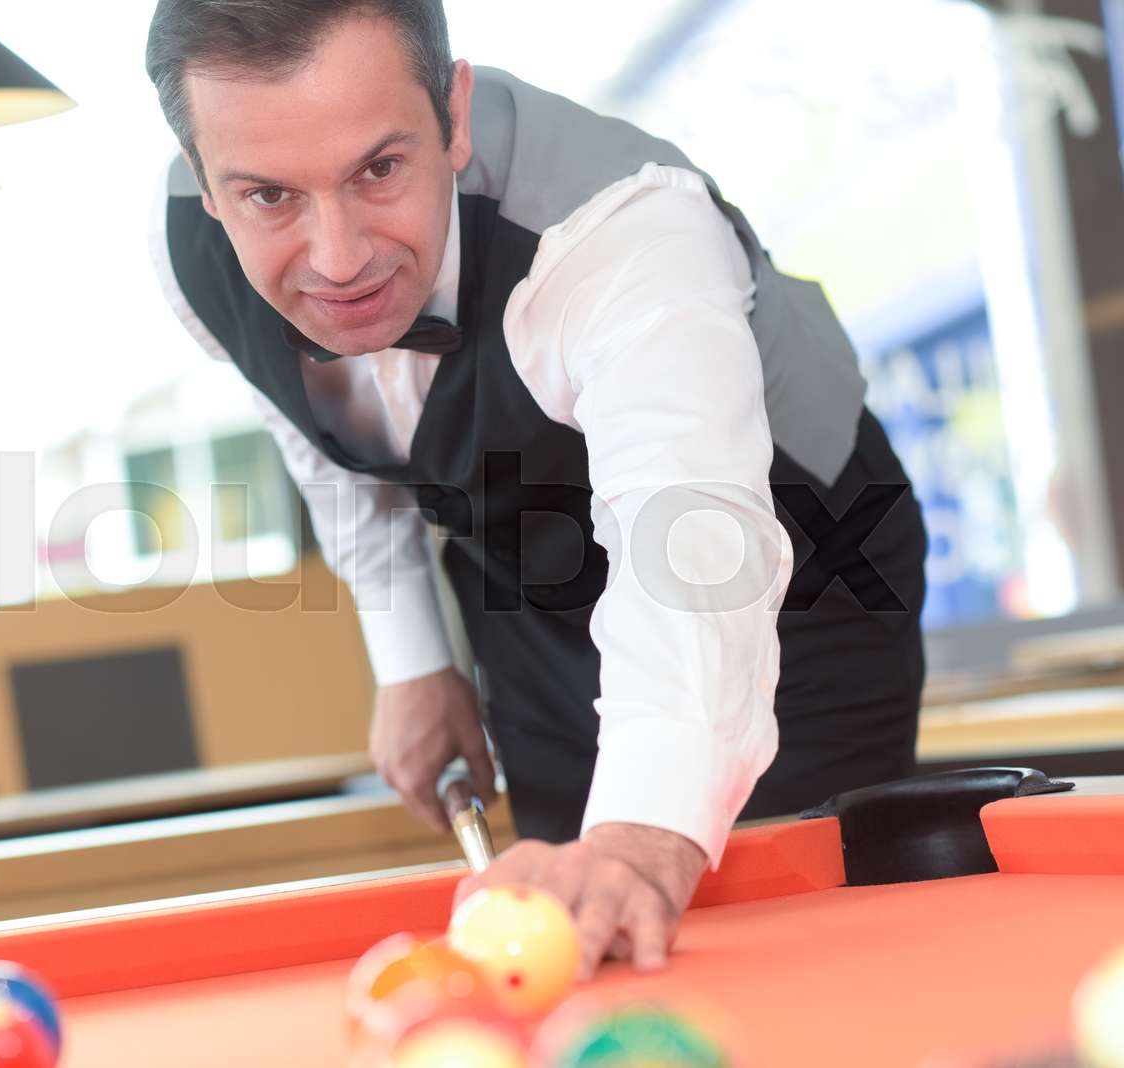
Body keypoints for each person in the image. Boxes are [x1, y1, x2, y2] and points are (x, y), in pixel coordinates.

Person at [144, 0, 927, 974]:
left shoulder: (621, 232)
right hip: (525, 567)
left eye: (378, 169)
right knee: (575, 925)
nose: (337, 258)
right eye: (268, 196)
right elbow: (320, 436)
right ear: (205, 182)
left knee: (788, 948)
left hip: (793, 565)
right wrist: (412, 661)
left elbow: (693, 537)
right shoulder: (189, 256)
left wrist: (643, 838)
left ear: (454, 113)